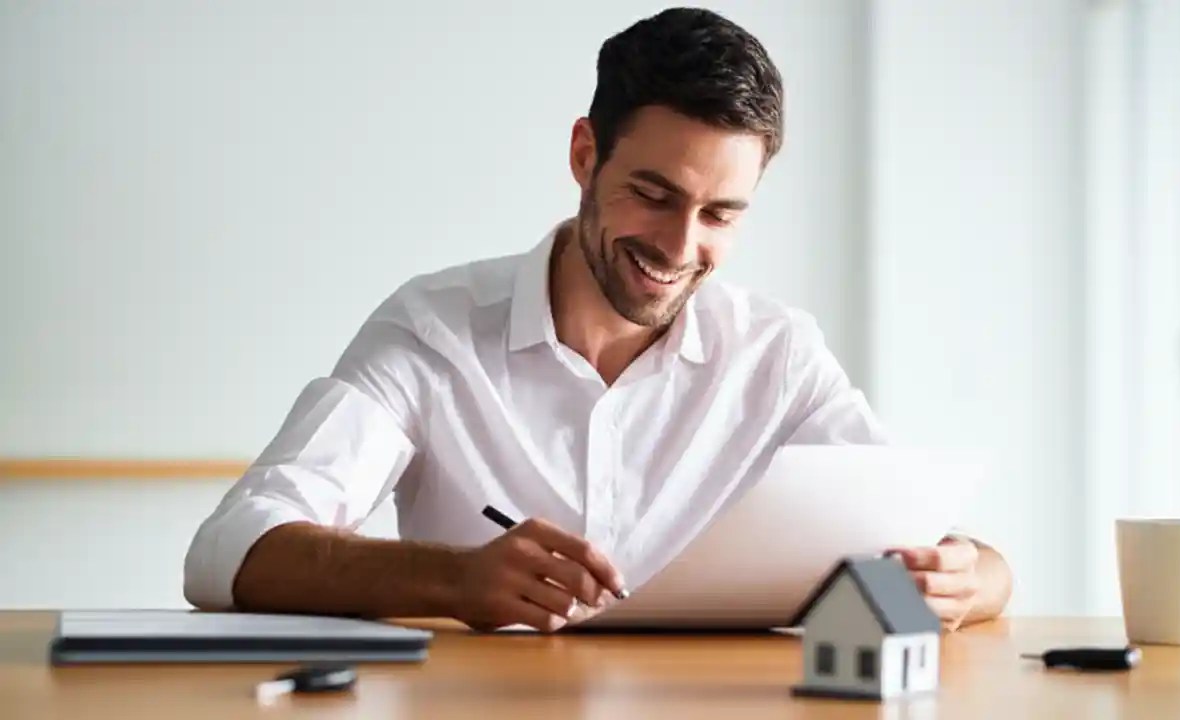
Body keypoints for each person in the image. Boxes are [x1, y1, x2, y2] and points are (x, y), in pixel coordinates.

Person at [184, 7, 1012, 633]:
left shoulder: (777, 355)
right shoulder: (434, 330)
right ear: (585, 154)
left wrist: (969, 577)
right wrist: (456, 581)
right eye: (653, 197)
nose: (679, 247)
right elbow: (232, 550)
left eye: (720, 215)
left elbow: (949, 549)